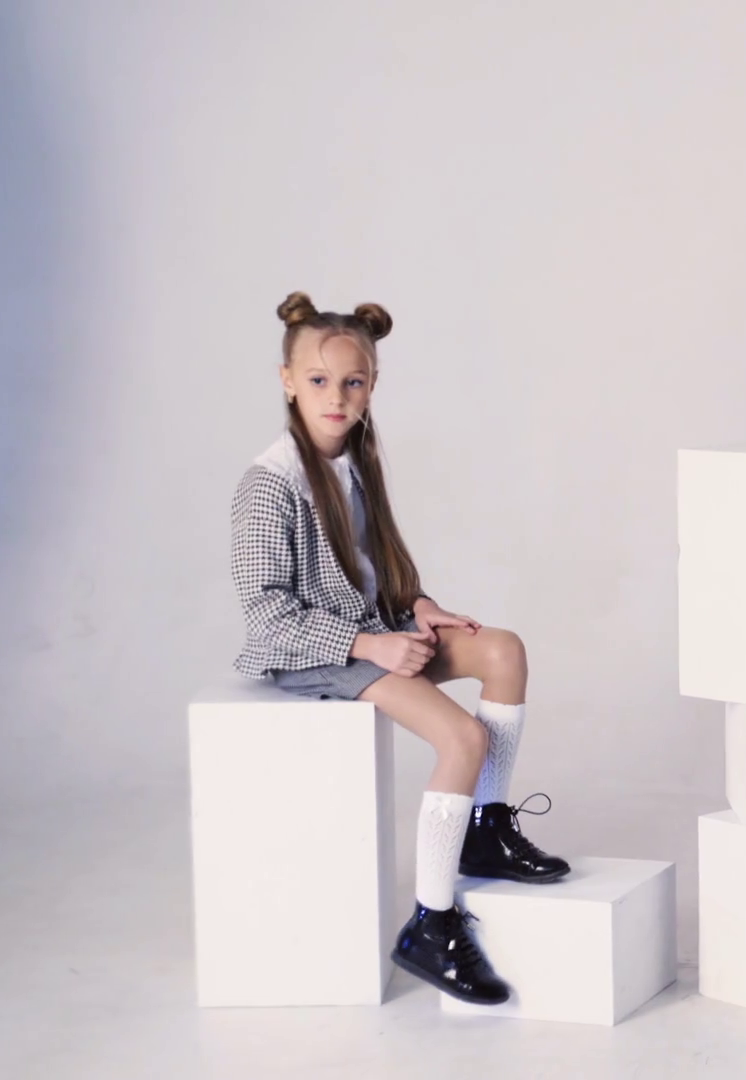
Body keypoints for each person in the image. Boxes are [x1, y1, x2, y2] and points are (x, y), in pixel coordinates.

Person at [228, 291, 569, 1005]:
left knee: (502, 649)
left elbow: (376, 560)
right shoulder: (269, 484)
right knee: (461, 736)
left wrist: (418, 608)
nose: (337, 396)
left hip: (371, 634)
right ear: (286, 380)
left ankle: (484, 826)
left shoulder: (357, 459)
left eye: (353, 381)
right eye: (319, 381)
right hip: (318, 655)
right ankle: (432, 922)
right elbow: (264, 615)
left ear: (372, 385)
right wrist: (369, 644)